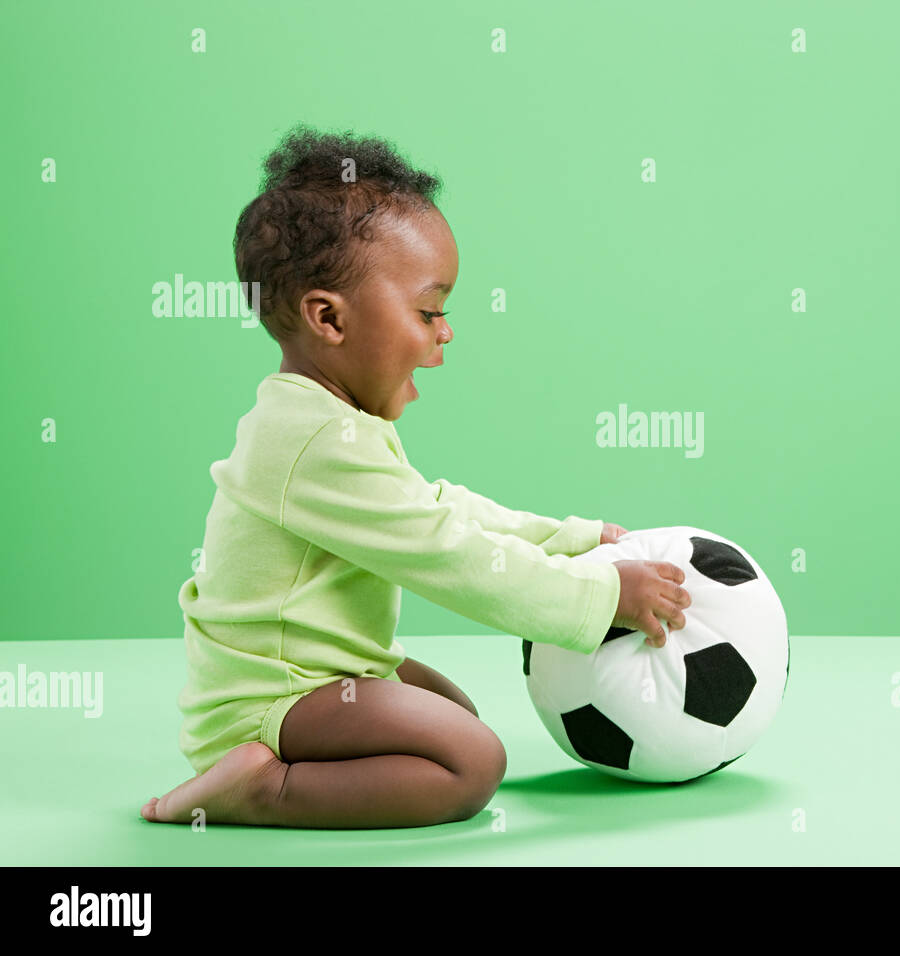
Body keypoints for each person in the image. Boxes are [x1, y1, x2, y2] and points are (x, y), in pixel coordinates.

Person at [141, 125, 691, 829]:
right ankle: (259, 787)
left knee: (452, 714)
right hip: (270, 699)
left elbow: (439, 508)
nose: (446, 331)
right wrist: (600, 593)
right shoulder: (315, 439)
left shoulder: (327, 420)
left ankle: (282, 770)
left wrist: (570, 538)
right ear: (328, 319)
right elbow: (449, 554)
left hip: (319, 677)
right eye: (430, 311)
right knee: (471, 763)